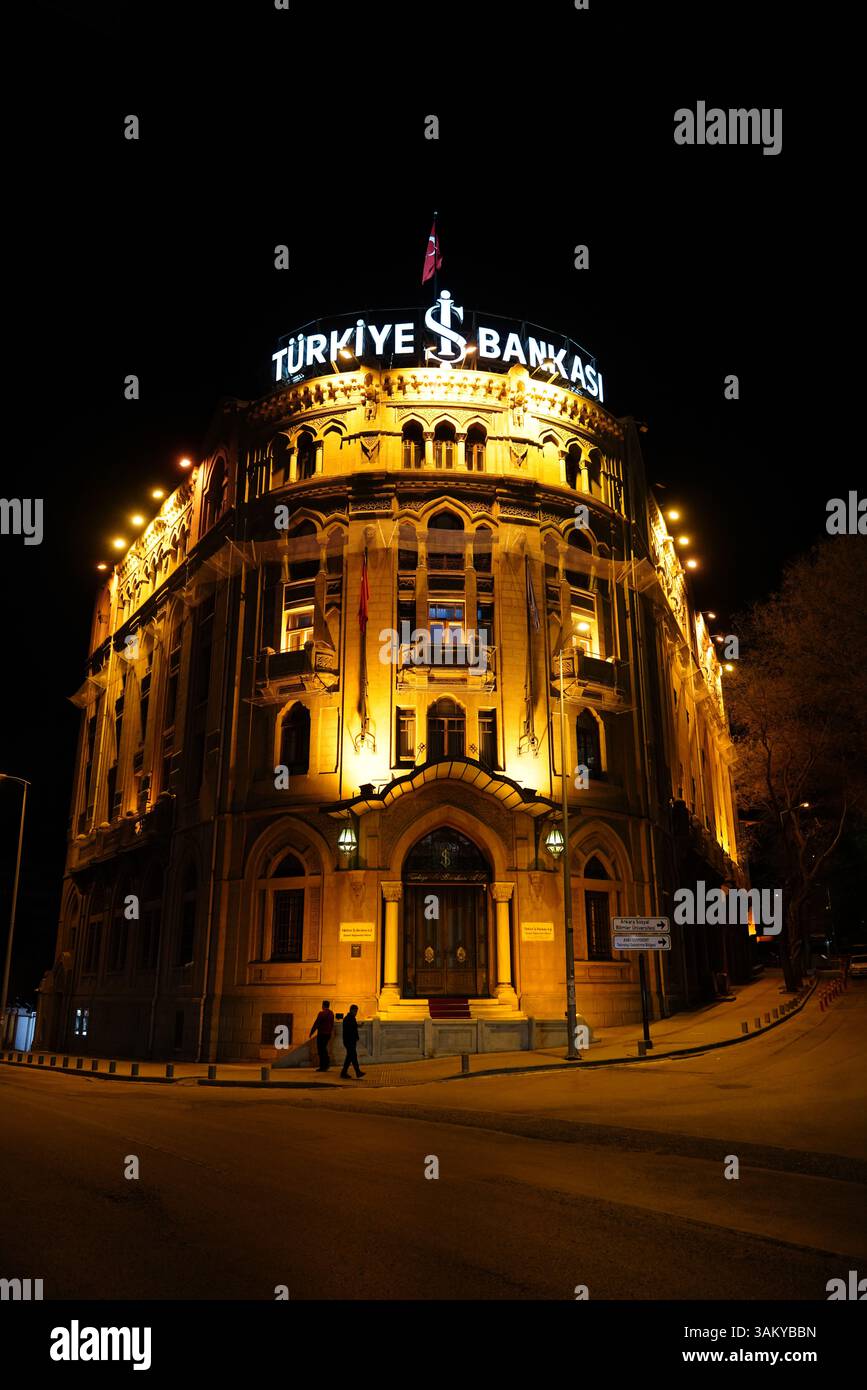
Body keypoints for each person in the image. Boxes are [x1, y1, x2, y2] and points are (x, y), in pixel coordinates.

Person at [309, 1000, 335, 1072]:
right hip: (328, 1034)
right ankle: (326, 1064)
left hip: (321, 1034)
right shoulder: (331, 1013)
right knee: (324, 1049)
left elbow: (316, 1023)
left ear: (323, 1005)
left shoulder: (321, 1013)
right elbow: (332, 1024)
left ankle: (322, 1066)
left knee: (321, 1050)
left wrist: (311, 1032)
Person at [340, 1004, 365, 1079]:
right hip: (349, 1041)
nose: (356, 1013)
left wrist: (358, 1026)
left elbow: (353, 1027)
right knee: (353, 1057)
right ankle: (357, 1072)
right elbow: (350, 1030)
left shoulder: (351, 1018)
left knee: (349, 1057)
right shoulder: (348, 1018)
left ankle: (344, 1073)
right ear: (351, 1010)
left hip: (351, 1041)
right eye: (355, 1011)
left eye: (356, 1011)